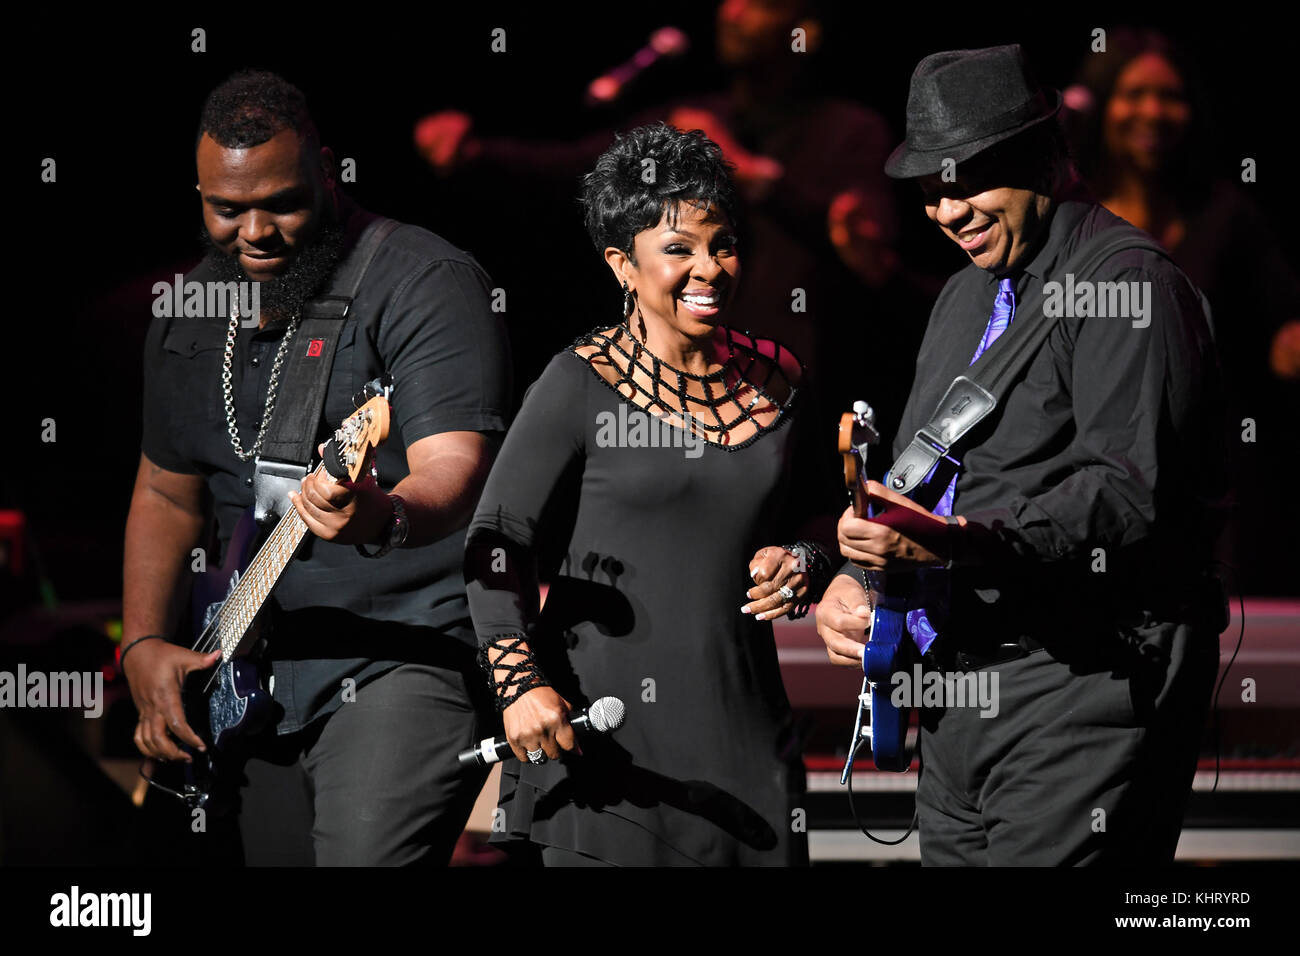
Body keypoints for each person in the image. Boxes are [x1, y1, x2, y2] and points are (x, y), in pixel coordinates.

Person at [815, 45, 1228, 865]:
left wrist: (959, 540)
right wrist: (855, 574)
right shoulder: (966, 295)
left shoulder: (1130, 283)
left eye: (967, 178)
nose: (946, 207)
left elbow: (1126, 496)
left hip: (1080, 688)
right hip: (959, 693)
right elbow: (917, 485)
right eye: (930, 187)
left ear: (1046, 153)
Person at [121, 70, 511, 865]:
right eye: (227, 209)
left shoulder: (421, 282)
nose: (256, 231)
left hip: (400, 650)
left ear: (328, 170)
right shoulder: (186, 313)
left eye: (284, 202)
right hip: (246, 667)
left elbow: (454, 468)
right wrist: (142, 644)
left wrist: (382, 516)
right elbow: (165, 490)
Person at [463, 123, 836, 866]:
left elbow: (828, 514)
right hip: (609, 740)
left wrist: (807, 559)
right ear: (622, 265)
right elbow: (495, 545)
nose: (710, 268)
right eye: (679, 249)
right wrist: (516, 683)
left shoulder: (779, 378)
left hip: (748, 737)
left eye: (722, 243)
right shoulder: (577, 383)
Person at [1065, 27, 1300, 595]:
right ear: (1101, 103)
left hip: (1213, 471)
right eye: (1135, 93)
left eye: (1170, 96)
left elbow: (1282, 322)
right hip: (1093, 464)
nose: (1154, 111)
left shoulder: (1225, 214)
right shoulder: (1073, 215)